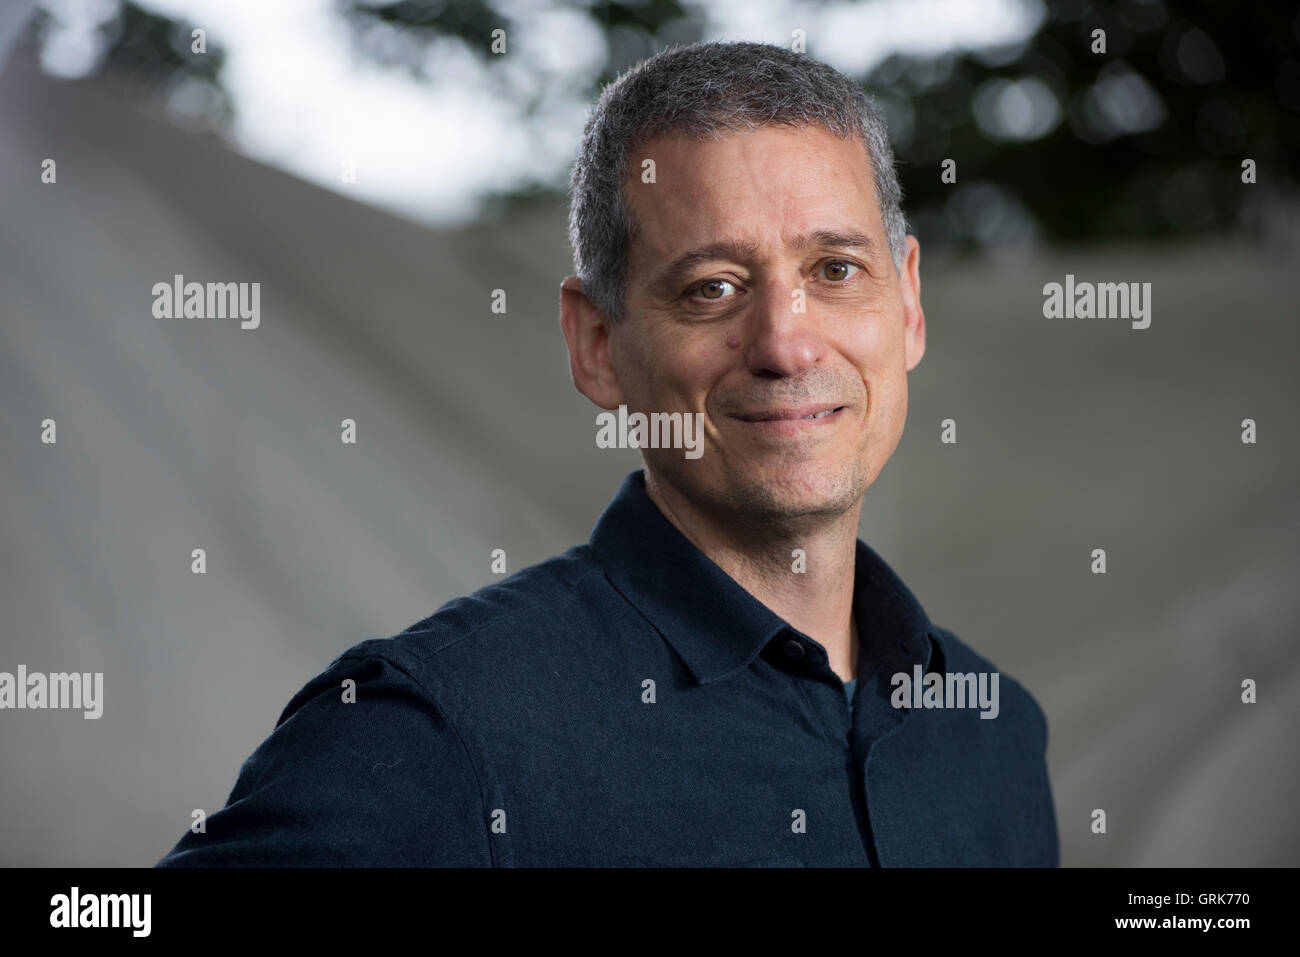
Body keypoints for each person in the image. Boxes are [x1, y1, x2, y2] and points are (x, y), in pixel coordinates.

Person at [158, 40, 1058, 868]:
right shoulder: (438, 730)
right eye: (713, 287)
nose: (788, 344)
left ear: (906, 305)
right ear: (596, 344)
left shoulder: (995, 730)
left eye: (835, 271)